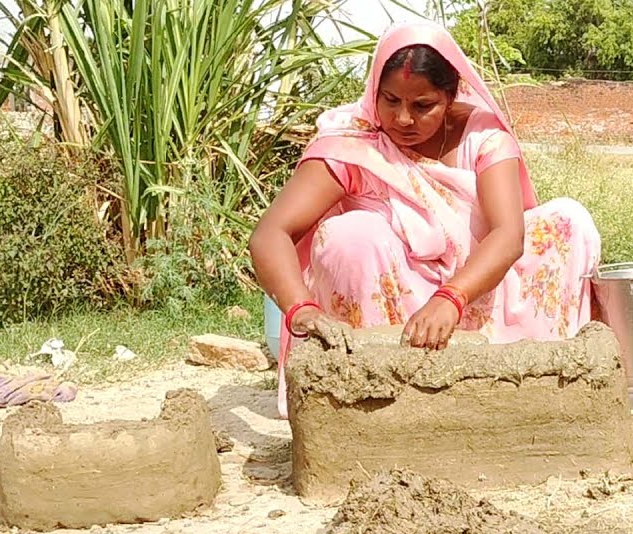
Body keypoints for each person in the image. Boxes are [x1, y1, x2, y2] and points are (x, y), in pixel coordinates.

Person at [249, 20, 601, 416]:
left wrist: (451, 297)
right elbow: (270, 234)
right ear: (373, 93)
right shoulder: (355, 141)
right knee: (349, 237)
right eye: (390, 100)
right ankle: (377, 395)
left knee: (568, 220)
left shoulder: (482, 136)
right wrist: (300, 309)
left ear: (450, 97)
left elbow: (507, 234)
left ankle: (534, 386)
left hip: (481, 290)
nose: (402, 119)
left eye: (422, 106)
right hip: (396, 302)